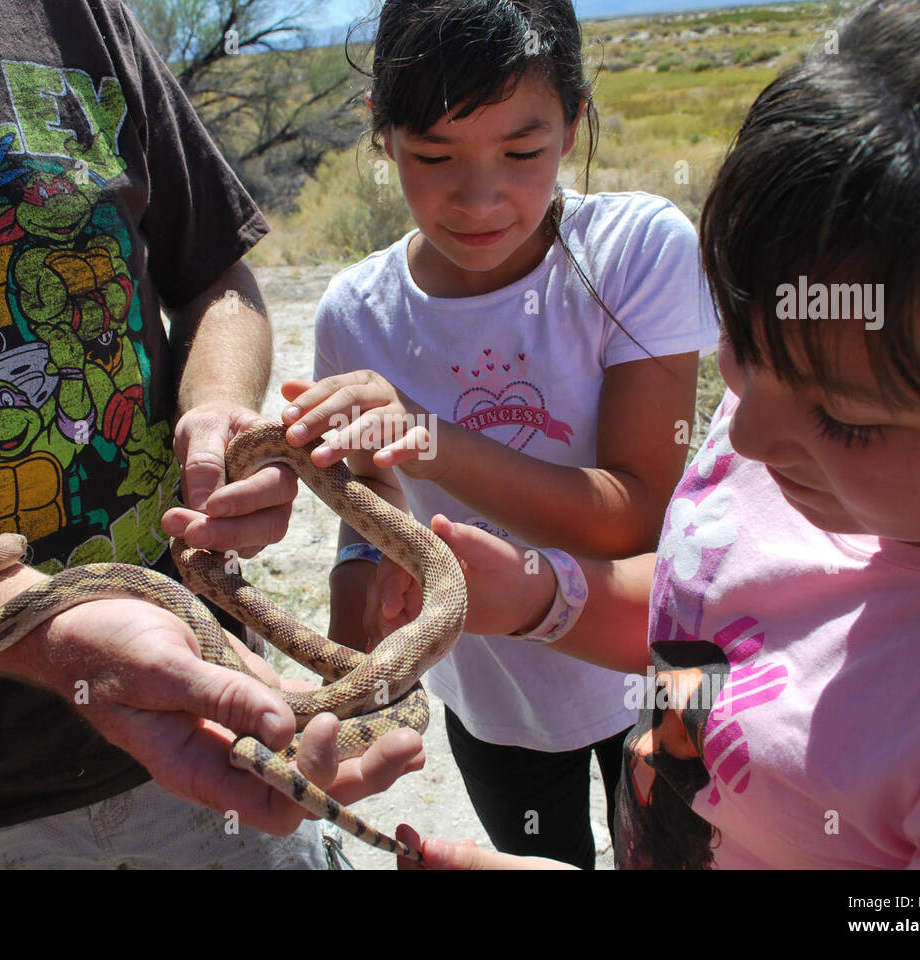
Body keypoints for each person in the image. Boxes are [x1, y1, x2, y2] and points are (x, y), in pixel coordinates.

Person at [0, 0, 419, 869]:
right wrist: (43, 633)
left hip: (211, 716)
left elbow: (214, 275)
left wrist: (217, 410)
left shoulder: (76, 15)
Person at [391, 0, 920, 868]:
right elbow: (713, 615)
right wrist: (542, 598)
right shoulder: (791, 420)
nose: (753, 436)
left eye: (850, 420)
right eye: (742, 345)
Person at [278, 0, 718, 868]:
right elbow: (367, 516)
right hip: (498, 694)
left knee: (688, 856)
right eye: (434, 155)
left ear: (576, 120)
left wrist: (429, 436)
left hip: (667, 662)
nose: (480, 198)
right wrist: (354, 645)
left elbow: (636, 518)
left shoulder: (638, 249)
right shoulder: (355, 314)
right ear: (383, 135)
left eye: (524, 152)